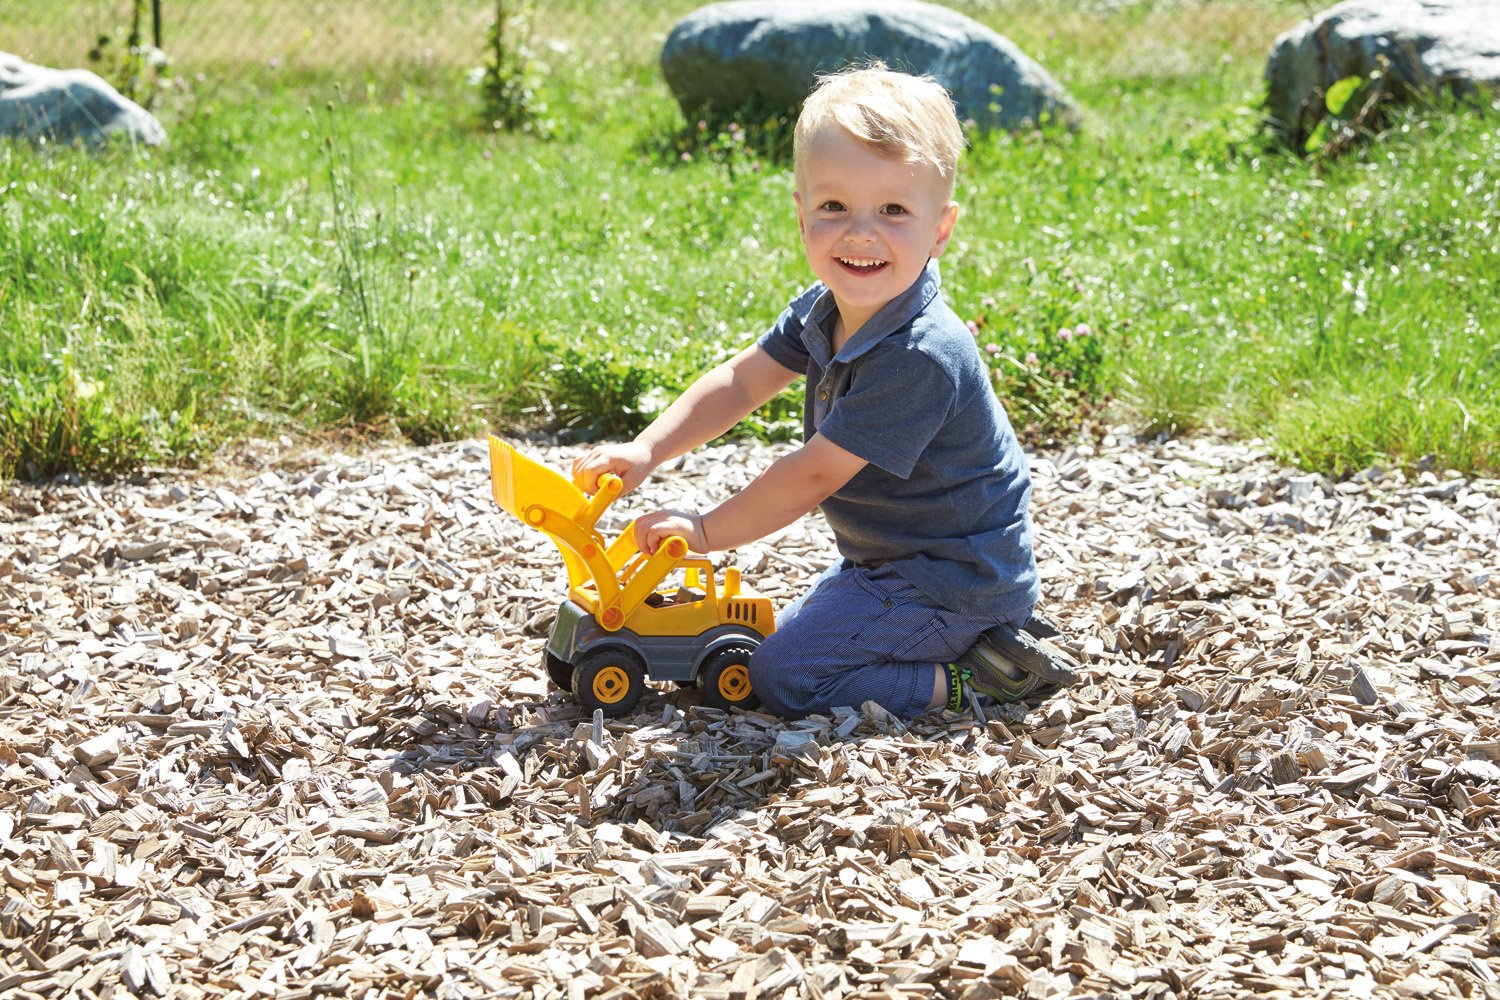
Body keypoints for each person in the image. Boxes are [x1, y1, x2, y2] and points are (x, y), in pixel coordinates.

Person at [572, 63, 1077, 719]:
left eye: (894, 210)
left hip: (954, 580)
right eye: (834, 207)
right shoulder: (826, 308)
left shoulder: (918, 355)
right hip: (896, 561)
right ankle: (943, 647)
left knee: (786, 676)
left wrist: (703, 530)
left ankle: (980, 678)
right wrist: (646, 451)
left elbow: (812, 475)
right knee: (776, 640)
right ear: (801, 214)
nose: (861, 233)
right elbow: (742, 379)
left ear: (941, 228)